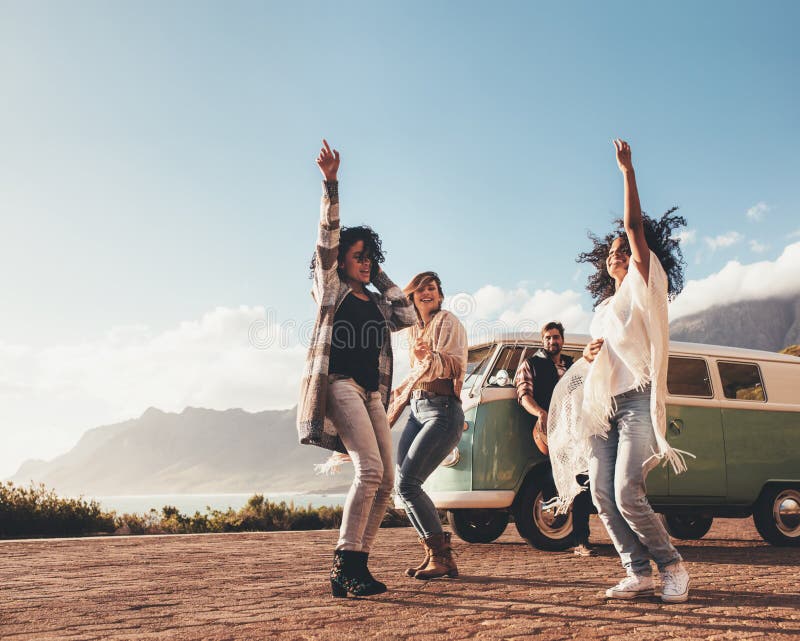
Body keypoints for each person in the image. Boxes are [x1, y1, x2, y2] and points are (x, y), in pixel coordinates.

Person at [547, 139, 691, 603]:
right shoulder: (603, 308)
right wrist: (589, 358)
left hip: (636, 400)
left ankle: (672, 566)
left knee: (628, 490)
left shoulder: (645, 286)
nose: (617, 254)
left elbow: (632, 227)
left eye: (623, 250)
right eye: (611, 252)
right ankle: (638, 572)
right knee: (603, 495)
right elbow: (600, 360)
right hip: (602, 408)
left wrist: (627, 171)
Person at [297, 140, 416, 598]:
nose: (365, 262)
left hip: (372, 394)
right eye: (359, 256)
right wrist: (330, 184)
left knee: (387, 480)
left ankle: (357, 566)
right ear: (343, 258)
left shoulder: (376, 301)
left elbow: (407, 314)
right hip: (341, 385)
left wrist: (378, 273)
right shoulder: (333, 290)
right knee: (369, 470)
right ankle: (344, 565)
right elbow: (326, 241)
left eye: (371, 256)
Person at [388, 271, 467, 580]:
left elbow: (455, 364)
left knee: (409, 483)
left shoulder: (448, 321)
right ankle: (436, 554)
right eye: (421, 289)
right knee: (402, 486)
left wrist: (430, 356)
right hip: (417, 410)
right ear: (412, 296)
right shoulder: (412, 330)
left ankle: (441, 556)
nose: (427, 293)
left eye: (432, 288)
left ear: (440, 295)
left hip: (442, 410)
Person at [514, 321, 594, 557]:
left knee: (581, 480)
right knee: (556, 477)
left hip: (575, 430)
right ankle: (559, 520)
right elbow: (523, 395)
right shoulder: (530, 364)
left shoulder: (572, 365)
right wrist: (540, 413)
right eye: (548, 338)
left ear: (562, 340)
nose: (552, 341)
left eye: (556, 337)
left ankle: (581, 540)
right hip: (549, 432)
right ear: (542, 341)